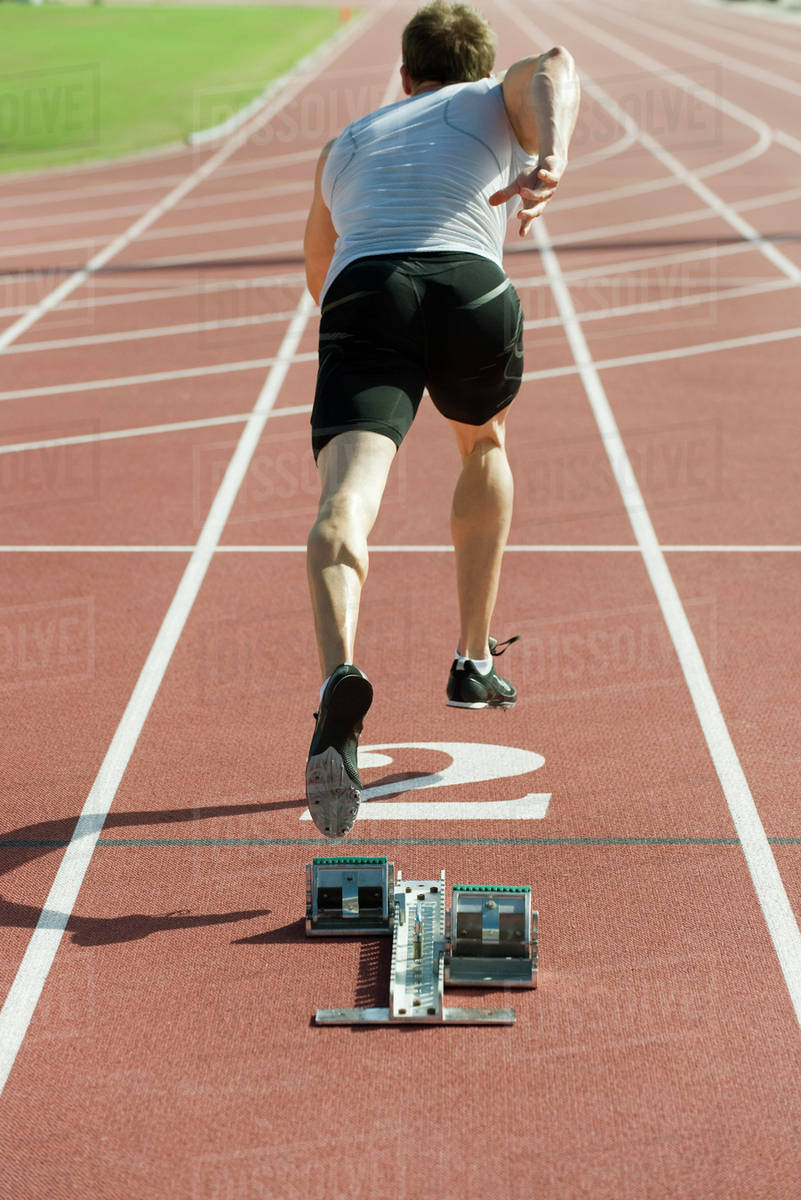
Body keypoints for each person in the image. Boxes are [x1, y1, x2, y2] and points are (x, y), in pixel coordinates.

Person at [302, 1, 580, 838]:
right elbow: (555, 64)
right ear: (478, 71)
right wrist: (551, 156)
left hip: (363, 293)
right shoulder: (498, 94)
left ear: (404, 78)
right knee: (483, 442)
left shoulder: (345, 143)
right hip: (468, 285)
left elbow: (319, 272)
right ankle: (472, 656)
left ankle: (338, 679)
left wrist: (376, 339)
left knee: (343, 503)